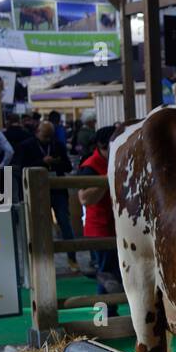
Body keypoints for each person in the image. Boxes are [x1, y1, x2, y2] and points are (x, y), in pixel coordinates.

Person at [76, 126, 121, 307]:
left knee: (111, 275)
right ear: (103, 146)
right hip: (99, 228)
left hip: (116, 226)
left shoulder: (114, 160)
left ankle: (109, 315)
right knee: (105, 276)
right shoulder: (90, 165)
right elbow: (84, 198)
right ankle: (102, 318)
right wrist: (107, 178)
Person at [36, 120, 79, 271]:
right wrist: (41, 162)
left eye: (50, 136)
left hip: (58, 191)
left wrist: (54, 162)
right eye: (45, 136)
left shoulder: (58, 145)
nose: (48, 139)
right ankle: (42, 263)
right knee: (40, 227)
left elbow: (67, 166)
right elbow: (21, 165)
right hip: (38, 193)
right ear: (37, 132)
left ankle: (72, 259)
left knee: (65, 224)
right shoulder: (28, 145)